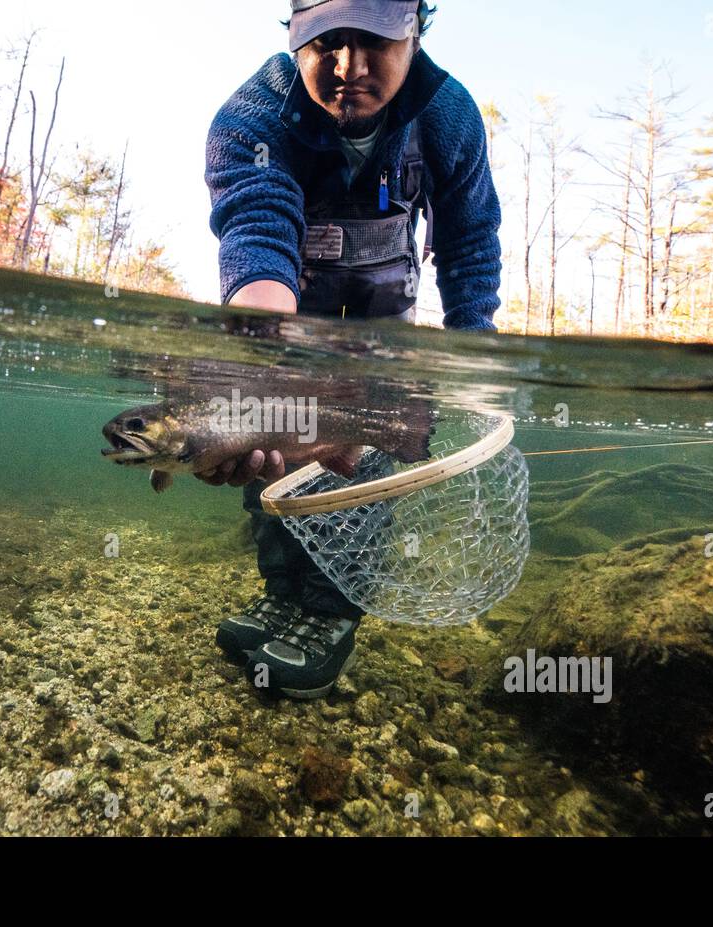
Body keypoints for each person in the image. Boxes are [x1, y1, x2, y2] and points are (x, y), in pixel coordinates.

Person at [200, 0, 502, 699]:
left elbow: (469, 243)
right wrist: (259, 356)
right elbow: (256, 218)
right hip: (289, 328)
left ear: (416, 30)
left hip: (381, 344)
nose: (347, 69)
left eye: (373, 42)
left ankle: (331, 616)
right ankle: (284, 594)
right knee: (272, 462)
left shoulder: (449, 116)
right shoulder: (252, 116)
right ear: (293, 37)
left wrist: (474, 351)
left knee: (358, 470)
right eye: (325, 44)